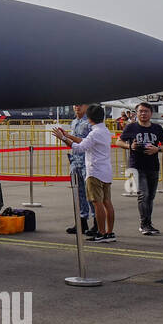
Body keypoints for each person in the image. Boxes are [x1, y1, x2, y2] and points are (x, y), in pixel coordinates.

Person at [53, 104, 115, 242]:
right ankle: (104, 230)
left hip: (92, 169)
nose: (77, 107)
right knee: (96, 199)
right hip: (98, 168)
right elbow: (84, 141)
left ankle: (99, 229)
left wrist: (63, 139)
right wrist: (68, 135)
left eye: (80, 105)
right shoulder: (103, 130)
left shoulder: (92, 130)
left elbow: (81, 147)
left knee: (96, 201)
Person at [117, 102, 163, 235]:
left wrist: (157, 149)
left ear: (151, 113)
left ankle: (148, 223)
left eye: (146, 111)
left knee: (150, 197)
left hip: (153, 166)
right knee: (143, 194)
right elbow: (118, 141)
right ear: (136, 113)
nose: (143, 114)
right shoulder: (131, 127)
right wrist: (130, 147)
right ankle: (144, 224)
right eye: (141, 111)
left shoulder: (157, 128)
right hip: (136, 166)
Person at [62, 104, 93, 235]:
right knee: (78, 194)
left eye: (80, 105)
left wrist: (66, 137)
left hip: (87, 162)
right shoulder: (74, 122)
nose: (77, 107)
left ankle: (97, 222)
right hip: (75, 161)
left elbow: (89, 142)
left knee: (91, 194)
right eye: (75, 105)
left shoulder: (90, 123)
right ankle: (82, 221)